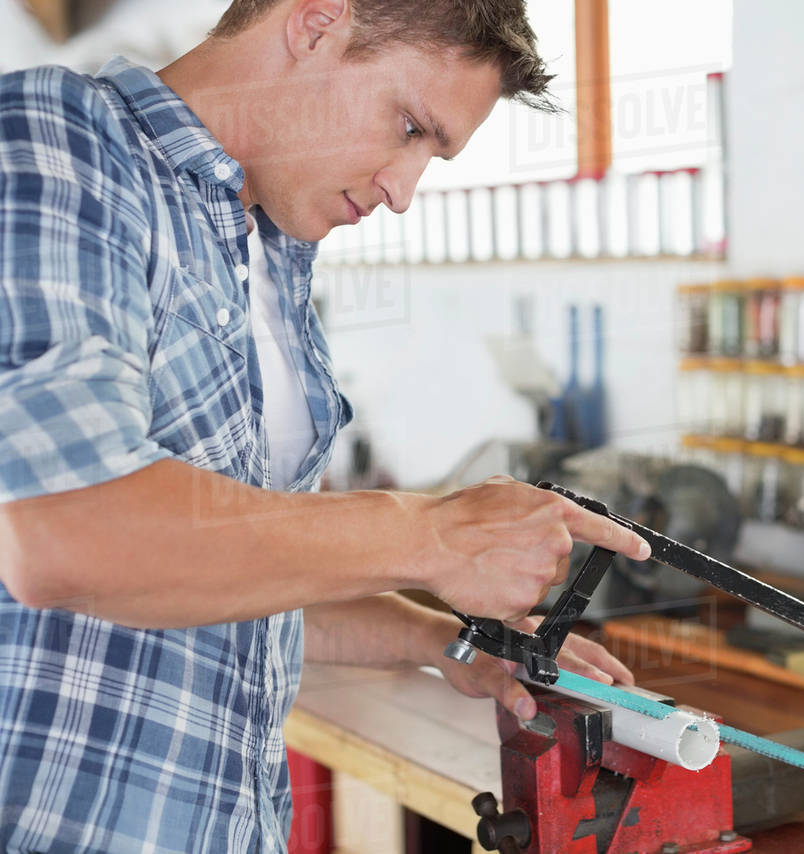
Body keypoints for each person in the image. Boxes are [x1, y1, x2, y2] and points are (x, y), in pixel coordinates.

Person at [0, 1, 650, 850]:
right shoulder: (55, 143)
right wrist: (426, 530)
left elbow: (236, 585)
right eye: (409, 126)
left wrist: (452, 642)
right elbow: (65, 535)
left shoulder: (269, 245)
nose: (403, 191)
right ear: (316, 23)